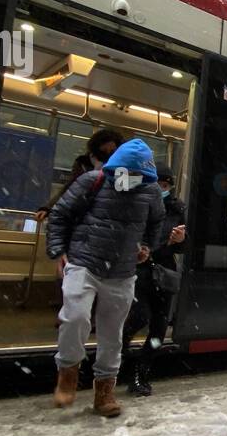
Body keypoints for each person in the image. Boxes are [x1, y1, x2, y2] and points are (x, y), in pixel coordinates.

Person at [47, 137, 164, 418]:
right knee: (75, 317)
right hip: (83, 262)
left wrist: (147, 247)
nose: (129, 179)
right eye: (125, 172)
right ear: (115, 168)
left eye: (138, 175)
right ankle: (68, 374)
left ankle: (104, 392)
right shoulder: (92, 181)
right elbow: (60, 214)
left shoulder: (151, 192)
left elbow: (156, 224)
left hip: (122, 272)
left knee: (113, 334)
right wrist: (57, 251)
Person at [122, 162, 186, 397]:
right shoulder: (139, 204)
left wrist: (180, 241)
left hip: (164, 273)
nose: (163, 188)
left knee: (159, 328)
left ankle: (141, 373)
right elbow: (139, 241)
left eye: (166, 184)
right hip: (141, 270)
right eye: (159, 183)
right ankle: (119, 349)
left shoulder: (177, 208)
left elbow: (184, 246)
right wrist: (164, 244)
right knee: (140, 316)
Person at [34, 128, 124, 222]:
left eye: (112, 151)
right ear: (97, 149)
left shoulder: (122, 165)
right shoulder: (84, 163)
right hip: (84, 212)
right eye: (104, 150)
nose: (108, 154)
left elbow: (125, 191)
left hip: (109, 214)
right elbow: (70, 187)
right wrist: (47, 208)